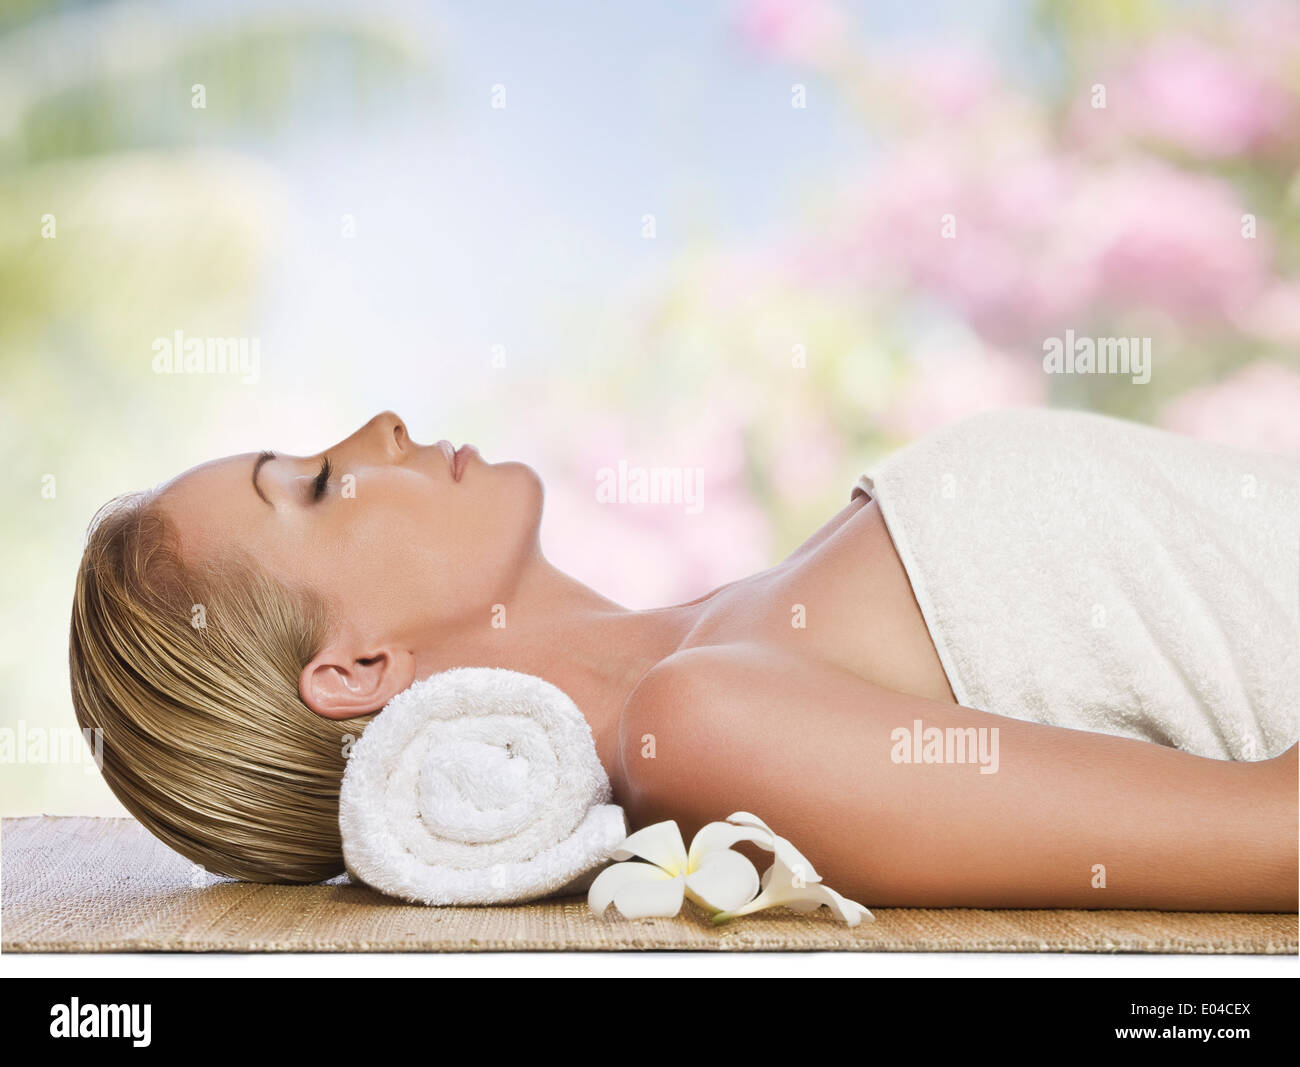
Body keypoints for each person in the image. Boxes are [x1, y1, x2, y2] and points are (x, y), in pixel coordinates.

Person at [69, 410, 1298, 909]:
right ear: (355, 669)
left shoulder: (746, 629)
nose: (379, 427)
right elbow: (1275, 830)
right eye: (323, 485)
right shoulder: (705, 721)